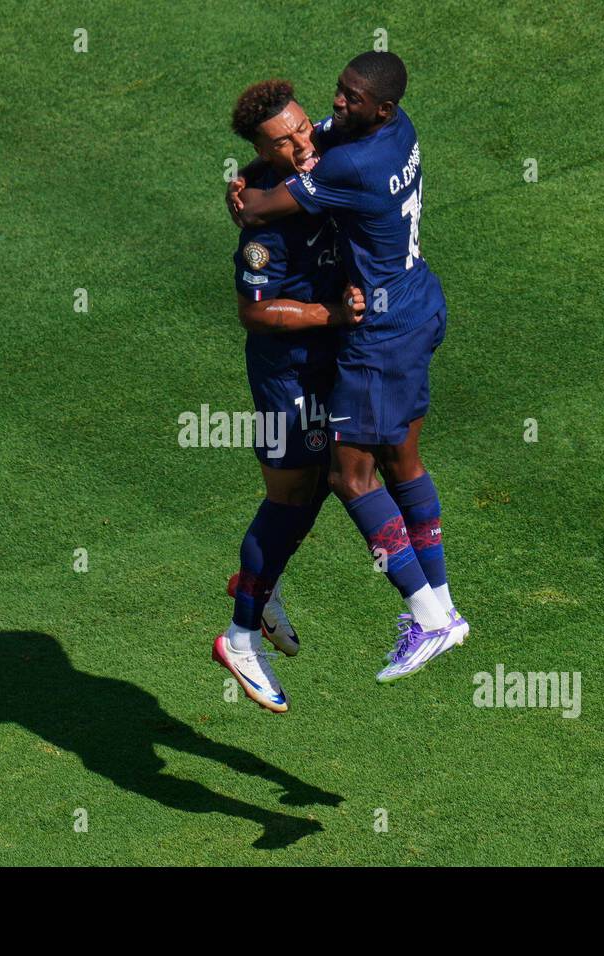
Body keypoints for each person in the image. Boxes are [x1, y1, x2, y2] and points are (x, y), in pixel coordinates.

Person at [230, 52, 468, 683]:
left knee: (348, 479)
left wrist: (246, 193)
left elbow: (258, 208)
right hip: (402, 312)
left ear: (379, 109)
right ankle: (439, 607)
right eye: (333, 94)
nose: (326, 119)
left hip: (379, 337)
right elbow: (254, 293)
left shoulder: (345, 165)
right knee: (380, 469)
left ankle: (429, 616)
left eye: (343, 103)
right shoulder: (395, 131)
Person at [212, 79, 363, 713]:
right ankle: (240, 637)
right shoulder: (261, 227)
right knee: (288, 495)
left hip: (329, 361)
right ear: (260, 151)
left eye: (303, 126)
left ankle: (259, 584)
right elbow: (255, 312)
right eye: (285, 139)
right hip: (286, 376)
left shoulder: (317, 149)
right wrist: (329, 314)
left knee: (333, 477)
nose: (303, 142)